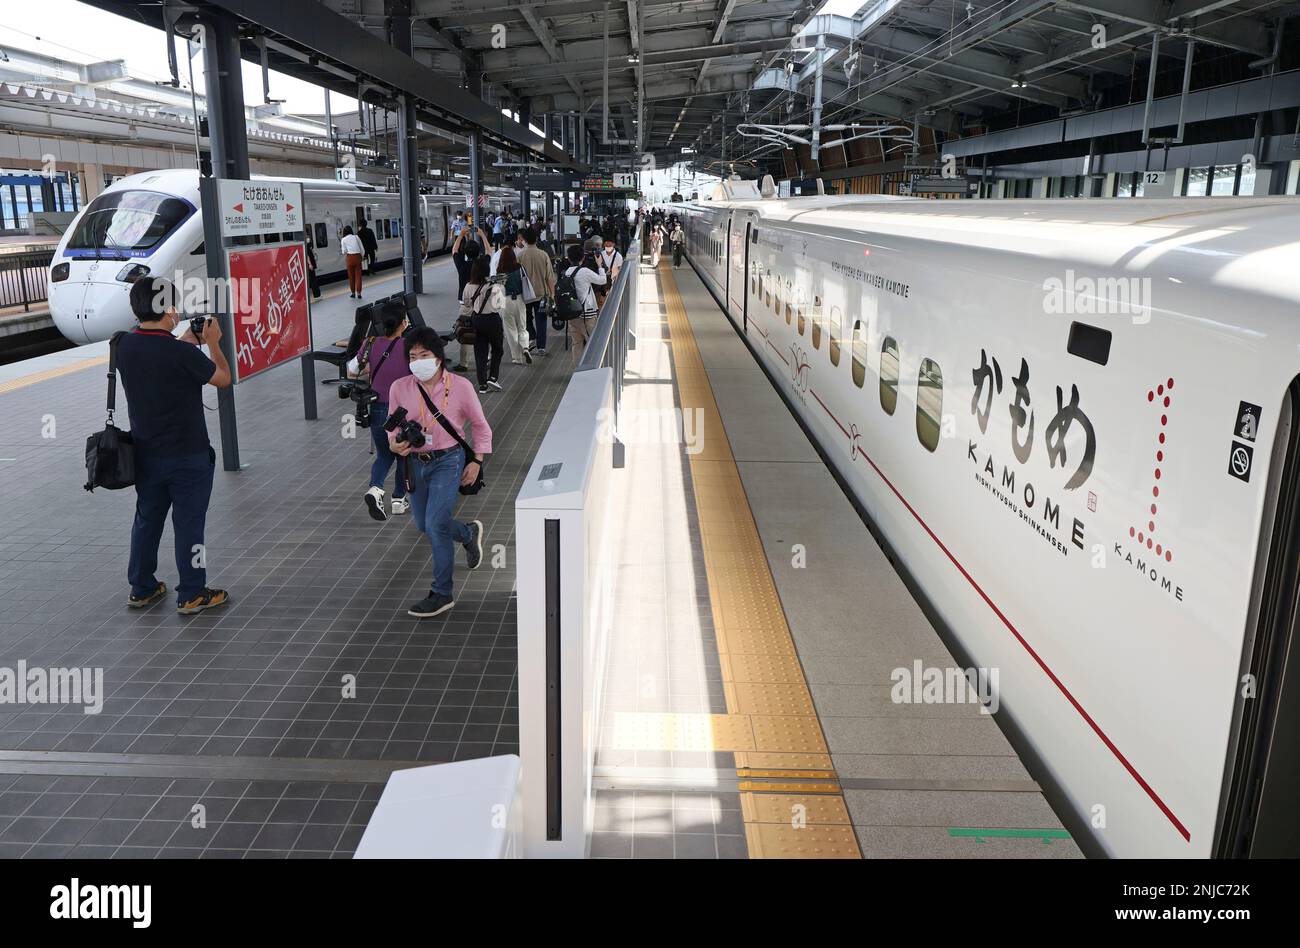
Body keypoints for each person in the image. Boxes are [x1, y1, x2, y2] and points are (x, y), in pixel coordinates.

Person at [115, 277, 231, 615]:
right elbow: (223, 379)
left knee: (147, 519)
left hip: (146, 454)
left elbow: (158, 353)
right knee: (189, 523)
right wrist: (212, 343)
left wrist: (185, 341)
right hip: (187, 456)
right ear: (168, 309)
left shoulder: (123, 346)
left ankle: (142, 588)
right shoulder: (181, 353)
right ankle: (192, 593)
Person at [387, 328, 491, 619]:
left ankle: (442, 593)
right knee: (424, 523)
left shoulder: (460, 387)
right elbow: (392, 430)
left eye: (424, 356)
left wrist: (477, 461)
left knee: (434, 525)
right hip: (415, 462)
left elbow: (481, 427)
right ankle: (468, 533)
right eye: (412, 356)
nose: (417, 361)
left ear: (438, 358)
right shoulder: (400, 388)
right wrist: (395, 445)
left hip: (449, 460)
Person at [352, 301, 412, 521]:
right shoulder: (409, 346)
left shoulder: (370, 343)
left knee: (385, 454)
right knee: (404, 454)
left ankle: (375, 489)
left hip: (378, 408)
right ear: (403, 323)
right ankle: (398, 499)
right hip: (403, 411)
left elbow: (352, 369)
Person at [461, 256, 504, 394]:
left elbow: (466, 303)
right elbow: (500, 306)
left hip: (477, 320)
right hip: (492, 320)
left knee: (480, 352)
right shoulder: (495, 286)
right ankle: (493, 377)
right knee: (497, 349)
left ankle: (482, 385)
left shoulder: (468, 286)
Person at [562, 243, 607, 362]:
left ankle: (577, 371)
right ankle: (592, 369)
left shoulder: (566, 272)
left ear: (569, 258)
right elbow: (602, 280)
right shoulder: (585, 271)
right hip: (587, 313)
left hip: (572, 313)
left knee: (576, 343)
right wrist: (600, 265)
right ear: (583, 257)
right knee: (593, 342)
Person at [518, 227, 555, 356]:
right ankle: (541, 347)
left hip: (525, 294)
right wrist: (552, 294)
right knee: (542, 320)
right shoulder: (543, 255)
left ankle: (532, 336)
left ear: (524, 240)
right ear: (537, 239)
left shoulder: (520, 255)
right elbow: (550, 277)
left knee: (526, 319)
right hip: (541, 294)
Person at [495, 244, 531, 366]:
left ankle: (517, 357)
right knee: (522, 327)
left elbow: (498, 290)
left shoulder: (499, 270)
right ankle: (525, 347)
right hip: (520, 299)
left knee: (510, 330)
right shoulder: (520, 268)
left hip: (506, 301)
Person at [341, 225, 364, 297]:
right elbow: (362, 248)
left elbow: (344, 251)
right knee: (358, 276)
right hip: (357, 257)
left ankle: (353, 293)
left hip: (350, 258)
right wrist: (362, 256)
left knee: (351, 276)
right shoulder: (356, 237)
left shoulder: (343, 239)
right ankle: (359, 293)